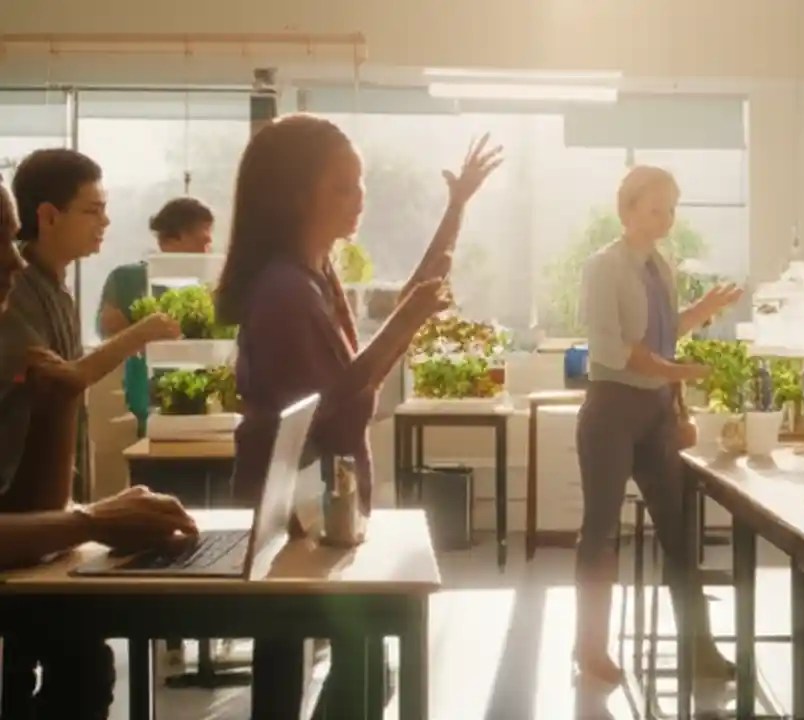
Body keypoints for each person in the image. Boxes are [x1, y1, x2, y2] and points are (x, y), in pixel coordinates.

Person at [214, 114, 501, 717]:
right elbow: (332, 402)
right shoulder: (285, 290)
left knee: (343, 668)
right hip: (296, 518)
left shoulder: (313, 274)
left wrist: (456, 208)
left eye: (359, 183)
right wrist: (408, 320)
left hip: (317, 511)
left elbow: (414, 299)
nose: (359, 198)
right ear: (297, 196)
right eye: (343, 186)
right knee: (346, 670)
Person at [0, 174, 197, 720]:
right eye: (92, 210)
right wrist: (89, 520)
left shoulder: (53, 291)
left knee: (85, 661)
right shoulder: (27, 299)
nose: (14, 261)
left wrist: (81, 519)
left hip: (29, 521)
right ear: (50, 216)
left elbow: (59, 387)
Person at [575, 165, 742, 685]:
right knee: (601, 532)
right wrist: (677, 372)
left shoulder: (661, 267)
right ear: (627, 211)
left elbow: (664, 334)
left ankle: (700, 649)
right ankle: (589, 648)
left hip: (655, 412)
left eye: (671, 209)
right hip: (612, 410)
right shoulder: (603, 267)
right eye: (655, 209)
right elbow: (611, 347)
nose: (666, 218)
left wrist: (704, 310)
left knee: (680, 532)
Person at [97, 196, 215, 435]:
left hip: (204, 408)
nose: (207, 249)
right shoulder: (129, 279)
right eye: (201, 241)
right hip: (149, 410)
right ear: (168, 241)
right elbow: (109, 333)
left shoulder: (207, 285)